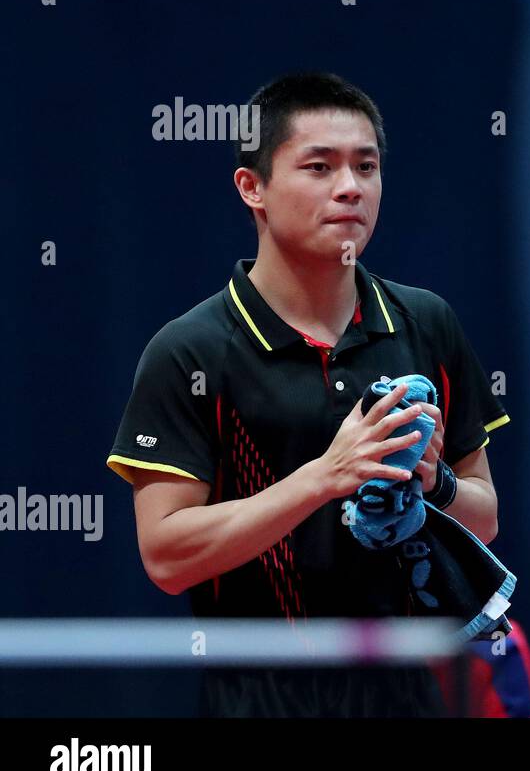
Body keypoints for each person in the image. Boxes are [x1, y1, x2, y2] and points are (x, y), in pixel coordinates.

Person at [105, 72, 509, 717]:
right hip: (261, 704)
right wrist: (325, 477)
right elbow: (167, 554)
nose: (350, 187)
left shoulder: (427, 322)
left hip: (413, 697)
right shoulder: (191, 352)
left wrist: (437, 487)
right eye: (319, 167)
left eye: (366, 166)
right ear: (252, 187)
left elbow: (483, 517)